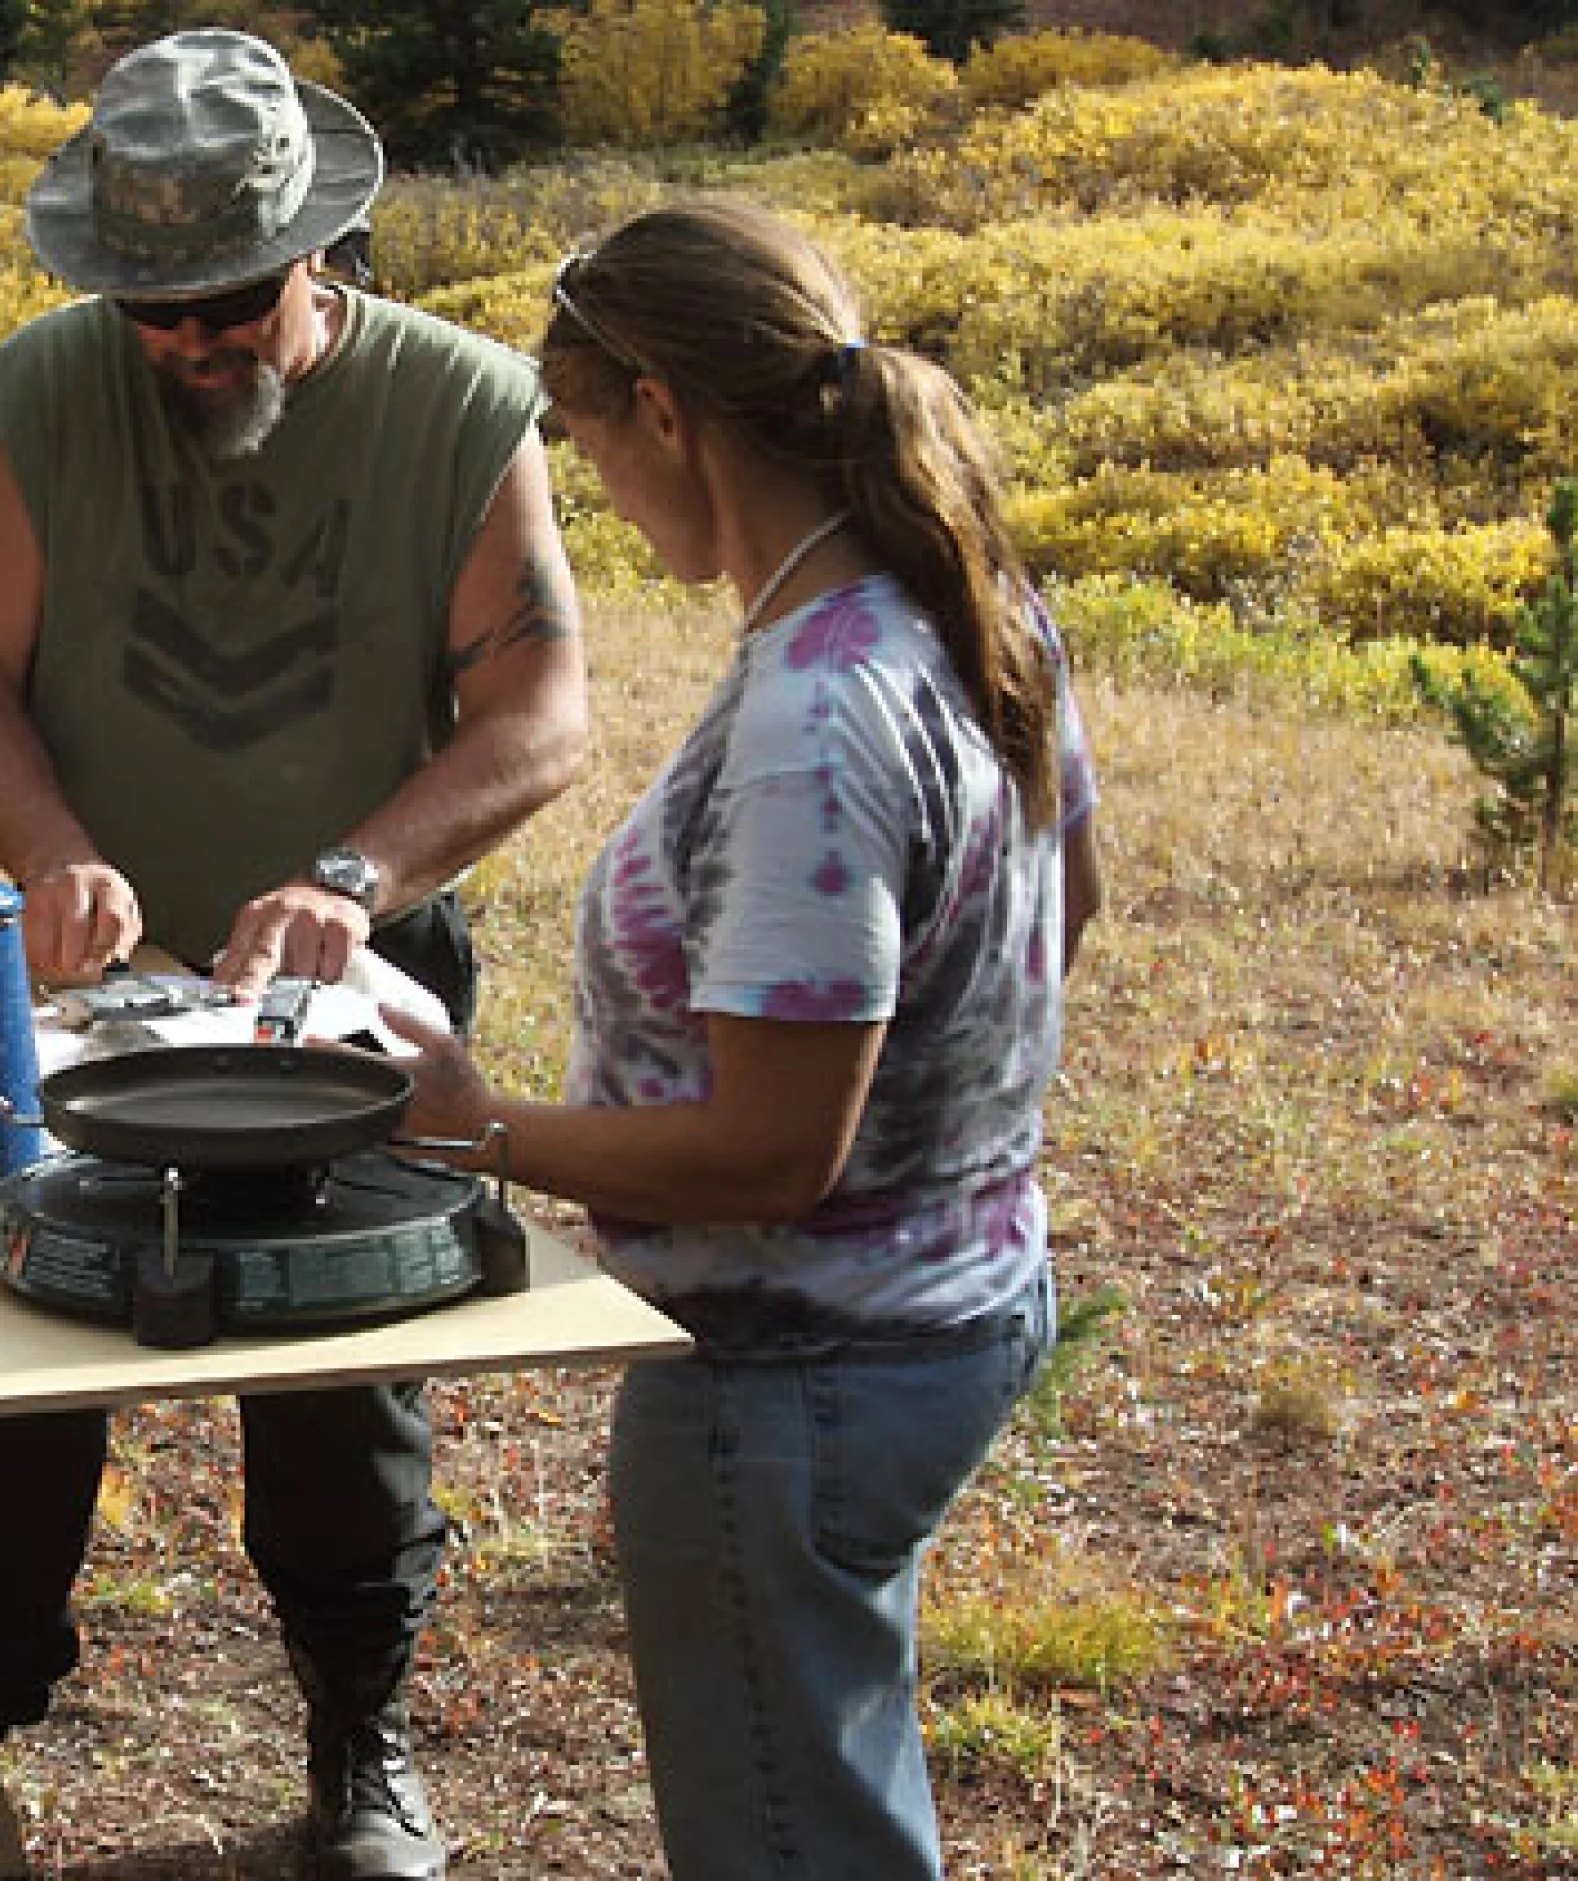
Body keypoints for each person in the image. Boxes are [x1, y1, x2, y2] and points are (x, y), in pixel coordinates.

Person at [0, 29, 589, 1881]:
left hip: (355, 987)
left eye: (227, 306)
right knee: (16, 1374)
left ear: (315, 257)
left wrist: (354, 873)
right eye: (147, 310)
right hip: (94, 987)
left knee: (349, 1373)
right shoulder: (41, 391)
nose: (184, 345)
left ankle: (368, 1758)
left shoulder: (460, 405)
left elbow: (537, 709)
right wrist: (52, 852)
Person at [372, 199, 1106, 1879]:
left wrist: (473, 1125)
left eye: (583, 439)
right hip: (950, 1311)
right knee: (837, 1798)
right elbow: (1063, 914)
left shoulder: (814, 720)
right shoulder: (969, 604)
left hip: (799, 1379)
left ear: (665, 418)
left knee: (790, 1840)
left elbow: (774, 1152)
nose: (601, 496)